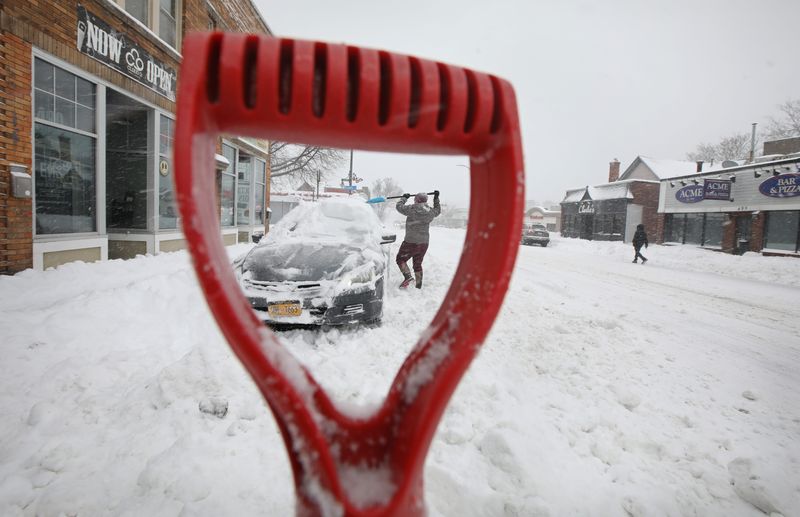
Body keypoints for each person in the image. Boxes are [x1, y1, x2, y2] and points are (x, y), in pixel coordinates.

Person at [395, 190, 441, 288]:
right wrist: (436, 198)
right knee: (418, 263)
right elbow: (438, 210)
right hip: (423, 243)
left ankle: (408, 277)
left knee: (400, 259)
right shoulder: (430, 211)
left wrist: (404, 198)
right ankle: (418, 285)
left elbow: (399, 207)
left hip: (410, 242)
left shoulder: (412, 208)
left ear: (416, 200)